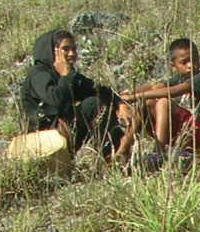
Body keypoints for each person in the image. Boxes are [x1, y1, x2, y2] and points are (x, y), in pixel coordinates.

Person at [20, 29, 133, 161]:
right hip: (44, 139)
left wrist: (120, 104)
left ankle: (119, 157)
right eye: (66, 49)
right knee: (93, 105)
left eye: (74, 49)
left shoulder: (70, 76)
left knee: (100, 102)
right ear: (53, 51)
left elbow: (98, 89)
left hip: (66, 132)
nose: (72, 53)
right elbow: (56, 101)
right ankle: (110, 158)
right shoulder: (39, 74)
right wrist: (66, 75)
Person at [121, 37, 200, 160]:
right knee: (148, 103)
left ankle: (159, 152)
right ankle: (123, 150)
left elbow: (174, 91)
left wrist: (135, 97)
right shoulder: (178, 79)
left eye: (194, 59)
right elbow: (155, 86)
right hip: (183, 135)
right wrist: (128, 95)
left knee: (163, 102)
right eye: (184, 62)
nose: (191, 65)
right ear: (173, 66)